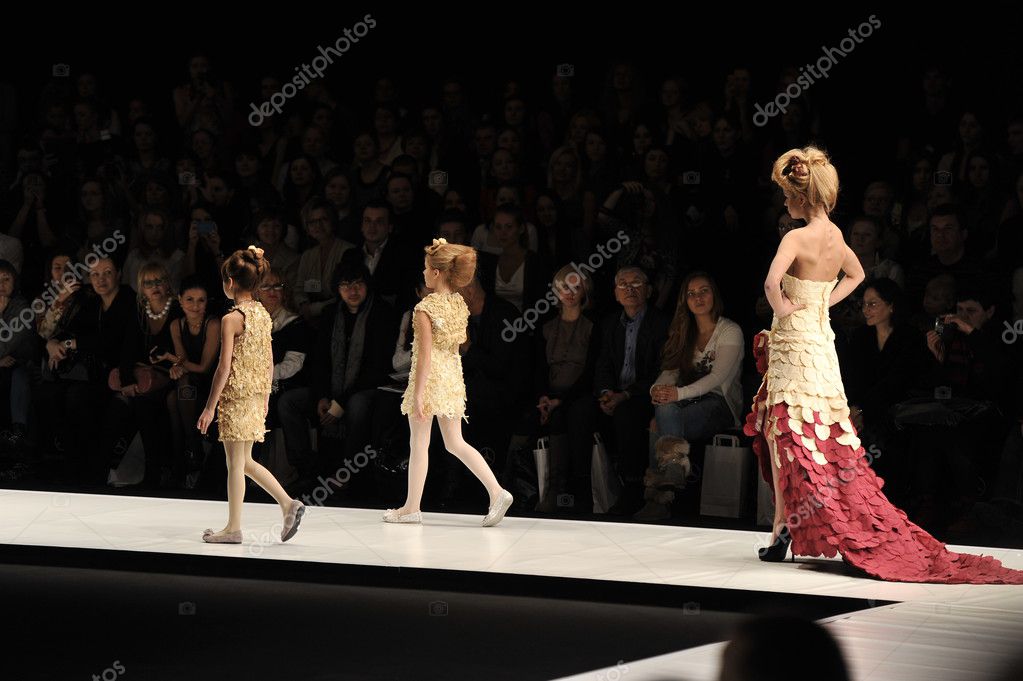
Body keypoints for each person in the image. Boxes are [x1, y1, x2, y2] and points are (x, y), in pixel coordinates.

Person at [745, 146, 1023, 584]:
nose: (784, 202)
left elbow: (769, 282)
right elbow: (856, 277)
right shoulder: (837, 237)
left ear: (801, 196)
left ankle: (782, 526)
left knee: (785, 430)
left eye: (786, 194)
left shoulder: (794, 238)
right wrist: (823, 304)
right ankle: (787, 526)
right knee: (815, 432)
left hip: (795, 342)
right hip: (819, 342)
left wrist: (785, 309)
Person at [383, 238, 514, 526]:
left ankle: (411, 507)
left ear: (438, 272)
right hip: (453, 377)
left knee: (419, 443)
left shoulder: (424, 308)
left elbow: (424, 356)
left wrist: (417, 394)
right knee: (455, 442)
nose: (424, 273)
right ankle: (496, 491)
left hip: (431, 380)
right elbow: (460, 344)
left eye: (427, 268)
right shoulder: (459, 303)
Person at [197, 246, 305, 544]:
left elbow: (223, 368)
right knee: (243, 462)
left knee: (236, 464)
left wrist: (209, 407)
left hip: (236, 396)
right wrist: (267, 396)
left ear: (230, 283)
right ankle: (287, 504)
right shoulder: (262, 313)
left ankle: (234, 528)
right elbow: (269, 359)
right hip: (256, 395)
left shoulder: (233, 318)